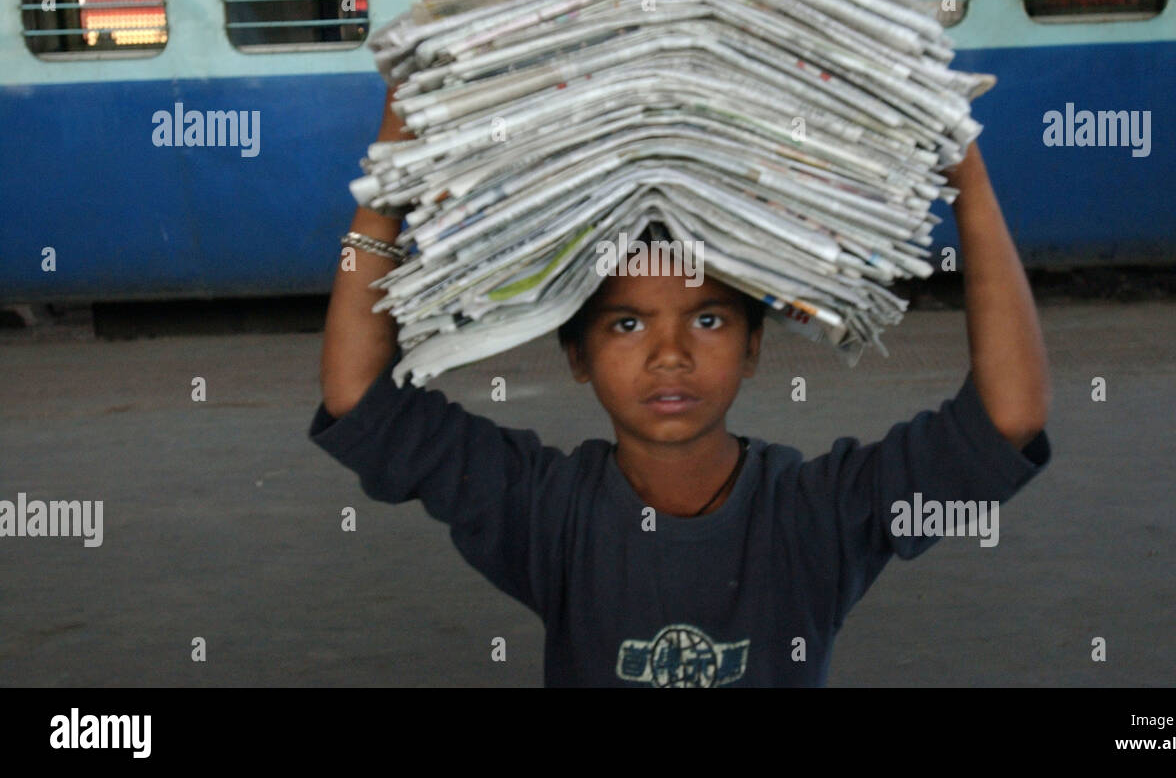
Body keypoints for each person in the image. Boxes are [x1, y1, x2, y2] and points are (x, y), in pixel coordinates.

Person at [308, 86, 1052, 687]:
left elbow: (1007, 419)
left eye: (709, 320)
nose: (669, 355)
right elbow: (359, 396)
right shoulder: (544, 514)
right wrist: (388, 183)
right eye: (627, 325)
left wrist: (970, 188)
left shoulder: (818, 517)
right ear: (577, 354)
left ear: (755, 345)